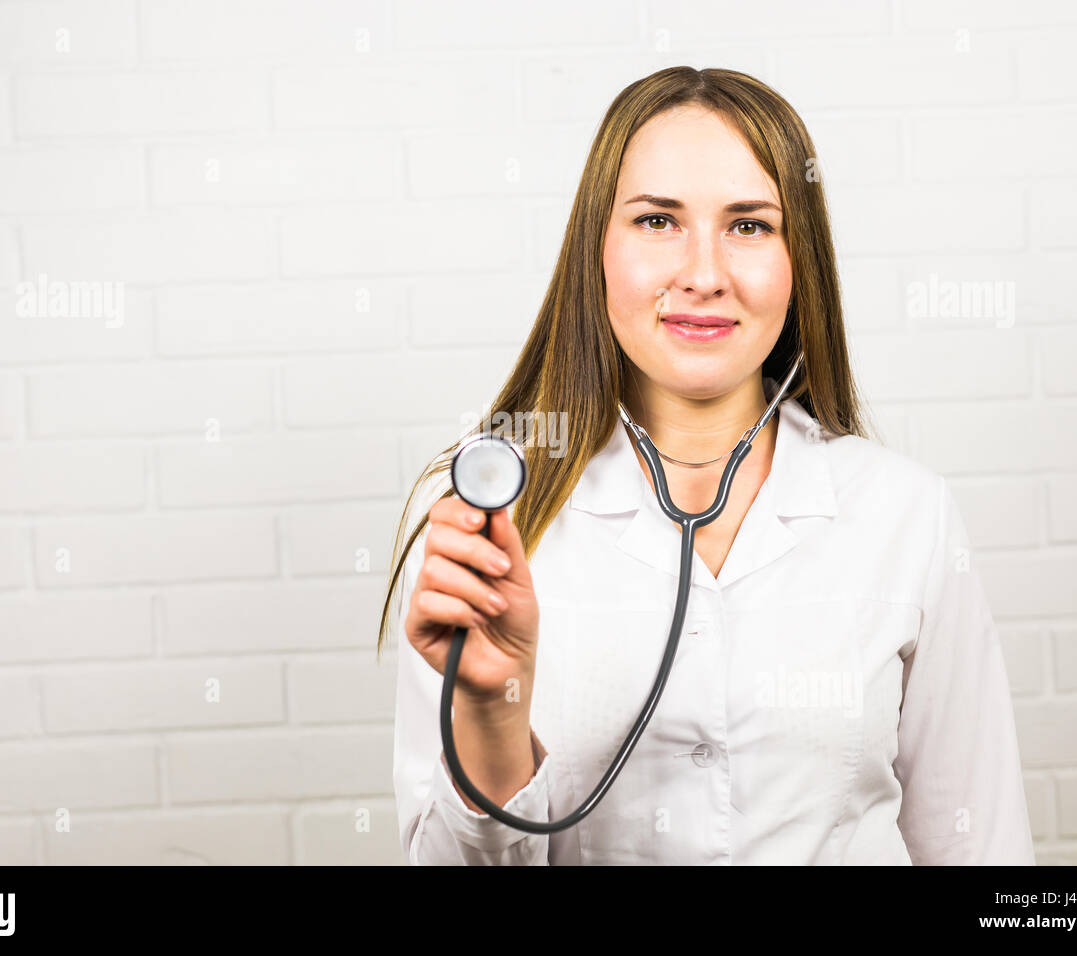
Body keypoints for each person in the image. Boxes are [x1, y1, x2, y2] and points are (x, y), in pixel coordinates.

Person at [376, 66, 1035, 866]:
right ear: (599, 253)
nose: (703, 272)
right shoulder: (477, 522)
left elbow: (981, 848)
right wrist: (490, 712)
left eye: (749, 226)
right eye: (658, 221)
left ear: (801, 264)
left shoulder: (907, 514)